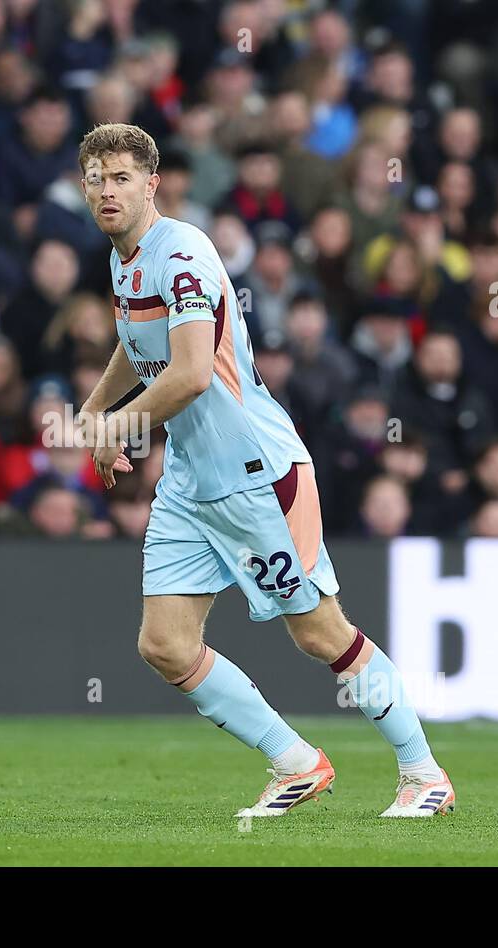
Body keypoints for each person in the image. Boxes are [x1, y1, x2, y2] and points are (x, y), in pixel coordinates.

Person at [76, 122, 454, 819]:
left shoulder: (182, 252)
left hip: (255, 471)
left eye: (123, 177)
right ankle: (296, 762)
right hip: (191, 480)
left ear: (152, 184)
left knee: (319, 632)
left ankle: (422, 771)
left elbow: (189, 374)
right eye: (97, 178)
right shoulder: (123, 259)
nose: (108, 190)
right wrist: (94, 408)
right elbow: (140, 342)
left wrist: (118, 425)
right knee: (164, 643)